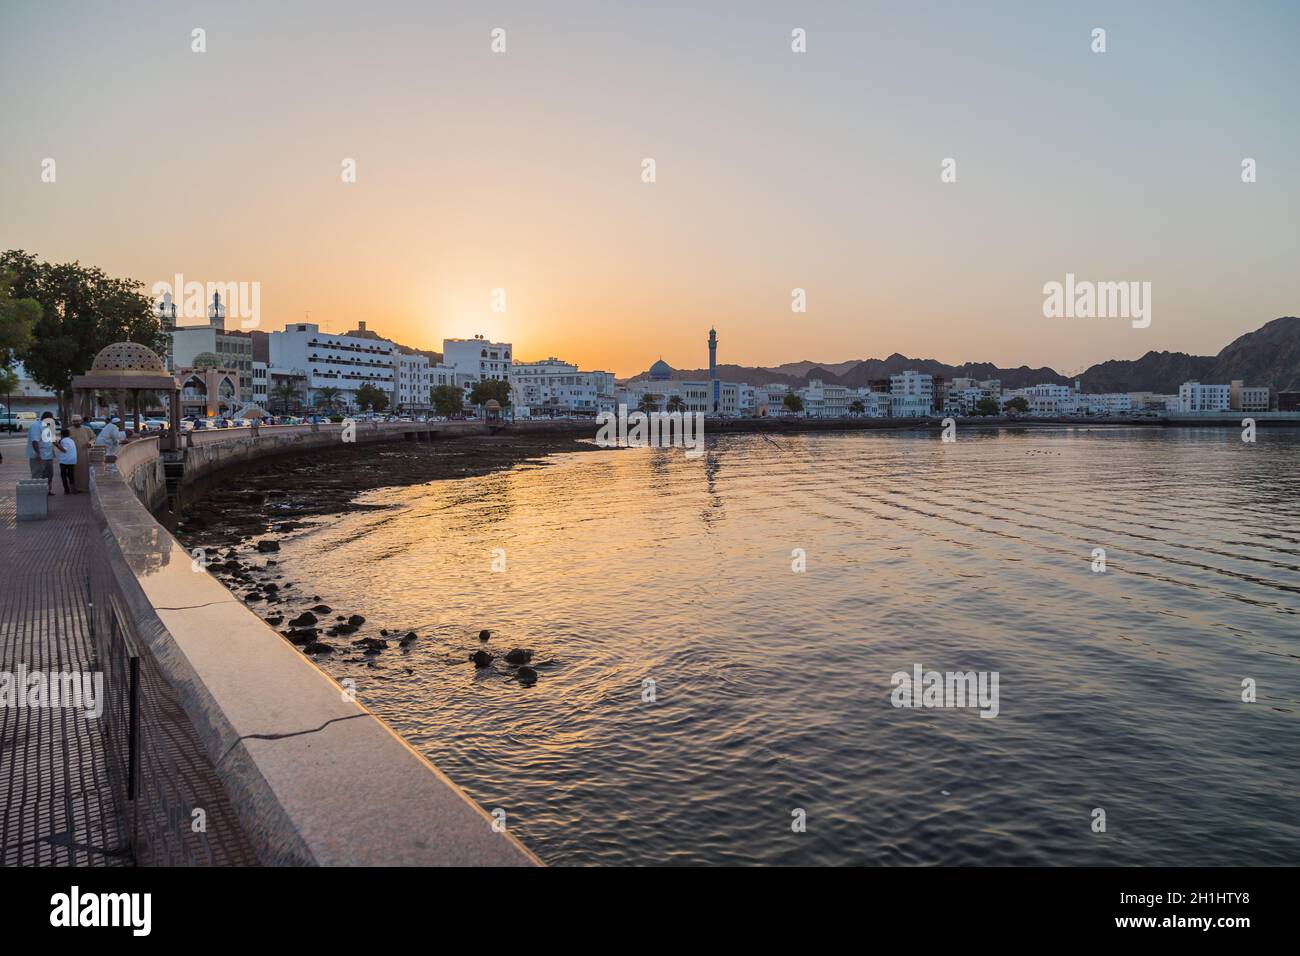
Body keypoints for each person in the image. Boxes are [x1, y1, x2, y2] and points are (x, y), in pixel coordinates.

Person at [26, 411, 56, 495]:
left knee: (49, 474)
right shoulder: (35, 426)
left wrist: (62, 448)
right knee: (37, 475)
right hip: (38, 456)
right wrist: (38, 453)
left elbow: (53, 439)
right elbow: (34, 441)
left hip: (49, 455)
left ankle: (47, 491)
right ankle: (36, 493)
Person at [68, 414, 95, 492]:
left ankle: (85, 488)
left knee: (85, 472)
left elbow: (93, 438)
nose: (77, 423)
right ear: (72, 422)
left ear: (81, 421)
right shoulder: (69, 430)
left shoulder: (87, 429)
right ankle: (76, 488)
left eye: (78, 421)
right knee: (74, 472)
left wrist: (90, 443)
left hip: (84, 454)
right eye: (75, 421)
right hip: (73, 455)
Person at [56, 427, 78, 494]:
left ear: (61, 435)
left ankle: (67, 490)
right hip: (72, 460)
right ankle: (73, 489)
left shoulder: (64, 441)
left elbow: (64, 450)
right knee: (71, 475)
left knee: (63, 475)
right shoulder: (71, 440)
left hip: (65, 461)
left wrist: (56, 444)